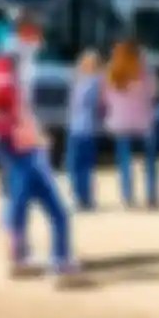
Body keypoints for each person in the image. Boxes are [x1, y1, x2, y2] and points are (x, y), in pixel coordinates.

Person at [0, 22, 78, 286]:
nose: (38, 42)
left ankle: (22, 255)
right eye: (36, 36)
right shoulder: (11, 62)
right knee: (41, 204)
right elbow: (8, 101)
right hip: (22, 144)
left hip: (19, 142)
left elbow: (8, 103)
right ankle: (55, 259)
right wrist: (30, 133)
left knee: (20, 201)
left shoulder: (9, 61)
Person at [104, 39, 159, 209]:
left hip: (121, 123)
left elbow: (106, 98)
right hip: (143, 123)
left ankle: (128, 196)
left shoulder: (113, 73)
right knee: (149, 162)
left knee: (125, 161)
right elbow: (154, 92)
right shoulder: (143, 73)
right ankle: (151, 197)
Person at [65, 49, 103, 211]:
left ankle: (83, 198)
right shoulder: (80, 81)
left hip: (85, 129)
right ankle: (82, 197)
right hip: (78, 128)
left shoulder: (94, 82)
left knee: (80, 165)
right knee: (78, 165)